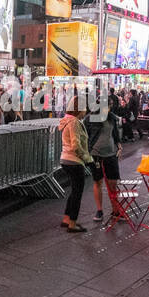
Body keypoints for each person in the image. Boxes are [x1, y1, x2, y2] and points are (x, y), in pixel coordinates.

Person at [58, 96, 94, 233]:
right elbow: (76, 145)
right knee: (77, 193)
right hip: (74, 161)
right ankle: (72, 223)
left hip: (66, 159)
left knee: (74, 191)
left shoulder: (68, 120)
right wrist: (87, 158)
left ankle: (67, 218)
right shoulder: (74, 122)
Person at [85, 102, 122, 223]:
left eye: (109, 106)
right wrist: (87, 150)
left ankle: (115, 209)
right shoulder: (90, 119)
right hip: (96, 155)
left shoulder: (111, 117)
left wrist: (119, 145)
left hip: (111, 153)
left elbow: (115, 133)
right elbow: (85, 136)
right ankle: (99, 210)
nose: (108, 109)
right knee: (98, 181)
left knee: (113, 182)